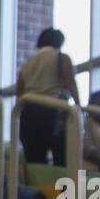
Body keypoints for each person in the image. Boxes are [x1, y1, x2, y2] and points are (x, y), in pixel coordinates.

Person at [15, 28, 81, 166]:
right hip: (53, 110)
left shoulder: (27, 64)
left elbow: (19, 93)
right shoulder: (61, 57)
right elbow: (70, 82)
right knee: (61, 160)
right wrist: (78, 108)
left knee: (35, 162)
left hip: (29, 112)